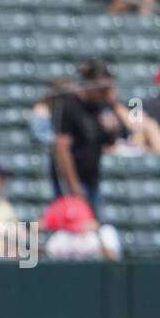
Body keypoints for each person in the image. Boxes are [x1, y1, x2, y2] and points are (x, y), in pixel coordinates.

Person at [52, 61, 123, 217]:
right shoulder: (69, 106)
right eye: (103, 89)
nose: (106, 94)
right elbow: (62, 149)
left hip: (92, 179)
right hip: (71, 181)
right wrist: (74, 186)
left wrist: (112, 129)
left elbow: (110, 142)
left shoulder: (103, 106)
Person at [42, 197, 122, 261]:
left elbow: (113, 258)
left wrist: (98, 234)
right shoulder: (61, 237)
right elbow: (46, 258)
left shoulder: (106, 232)